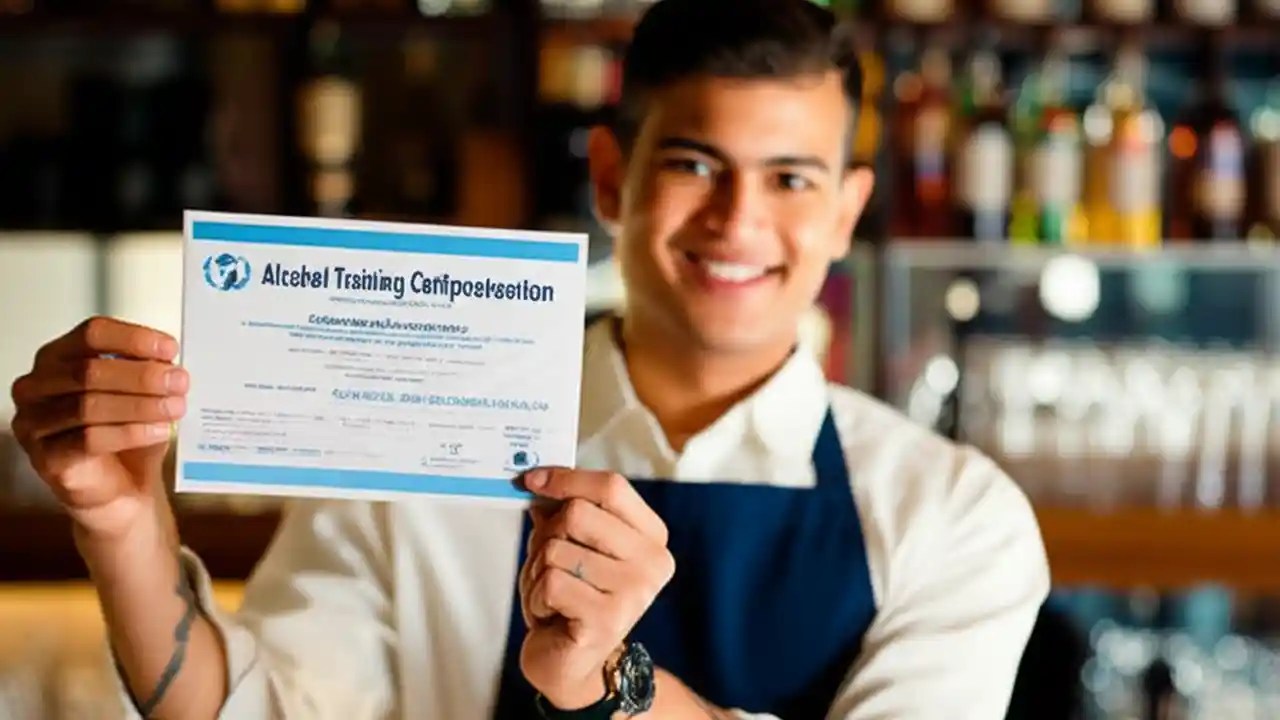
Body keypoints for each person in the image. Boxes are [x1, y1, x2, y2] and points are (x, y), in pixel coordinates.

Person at [8, 0, 1050, 717]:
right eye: (693, 164)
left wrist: (612, 681)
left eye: (789, 178)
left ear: (845, 213)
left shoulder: (953, 517)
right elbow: (260, 707)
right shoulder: (410, 435)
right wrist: (122, 524)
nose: (740, 221)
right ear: (608, 179)